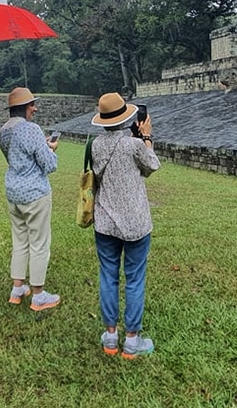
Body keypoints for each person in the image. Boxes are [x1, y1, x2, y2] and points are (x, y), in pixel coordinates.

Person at [89, 91, 160, 358]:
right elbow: (152, 165)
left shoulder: (96, 145)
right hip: (135, 222)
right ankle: (132, 339)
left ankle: (110, 336)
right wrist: (147, 137)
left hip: (105, 221)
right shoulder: (134, 146)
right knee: (134, 278)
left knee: (108, 275)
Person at [0, 87, 61, 311]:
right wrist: (51, 149)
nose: (35, 108)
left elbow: (19, 155)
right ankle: (38, 295)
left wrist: (41, 145)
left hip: (13, 191)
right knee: (39, 244)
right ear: (24, 107)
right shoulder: (31, 129)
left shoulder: (4, 130)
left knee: (20, 241)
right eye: (32, 105)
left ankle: (17, 288)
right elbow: (49, 165)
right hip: (34, 193)